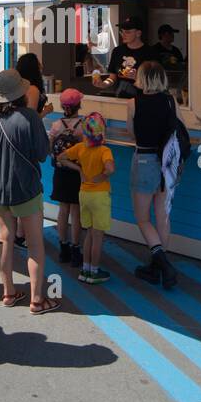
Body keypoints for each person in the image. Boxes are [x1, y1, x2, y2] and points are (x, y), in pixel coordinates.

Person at [0, 69, 59, 314]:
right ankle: (37, 299)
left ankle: (8, 292)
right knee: (35, 244)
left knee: (5, 239)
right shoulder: (30, 118)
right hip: (25, 186)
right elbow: (41, 154)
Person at [126, 61, 179, 289]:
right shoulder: (170, 101)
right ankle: (158, 265)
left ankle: (164, 265)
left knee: (143, 219)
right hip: (167, 163)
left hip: (145, 159)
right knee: (162, 217)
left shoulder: (133, 103)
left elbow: (132, 133)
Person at [57, 112, 115, 284]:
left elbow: (61, 157)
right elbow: (110, 169)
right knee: (98, 236)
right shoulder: (104, 150)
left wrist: (80, 170)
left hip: (84, 194)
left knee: (89, 233)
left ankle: (86, 269)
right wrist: (103, 177)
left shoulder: (81, 148)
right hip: (99, 196)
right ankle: (95, 271)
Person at [49, 88, 86, 267]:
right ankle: (76, 249)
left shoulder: (56, 126)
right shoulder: (83, 126)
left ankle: (63, 247)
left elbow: (51, 149)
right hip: (77, 171)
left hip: (61, 172)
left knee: (63, 210)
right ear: (79, 105)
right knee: (76, 212)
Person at [93, 16, 157, 98]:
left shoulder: (150, 53)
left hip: (144, 99)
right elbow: (112, 77)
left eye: (127, 32)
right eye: (122, 32)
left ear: (138, 33)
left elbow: (155, 81)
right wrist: (104, 84)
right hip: (121, 97)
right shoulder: (117, 51)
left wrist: (137, 77)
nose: (123, 35)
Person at [15, 52, 52, 116]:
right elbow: (31, 119)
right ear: (33, 68)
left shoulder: (18, 86)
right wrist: (46, 111)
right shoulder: (32, 89)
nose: (41, 66)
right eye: (38, 64)